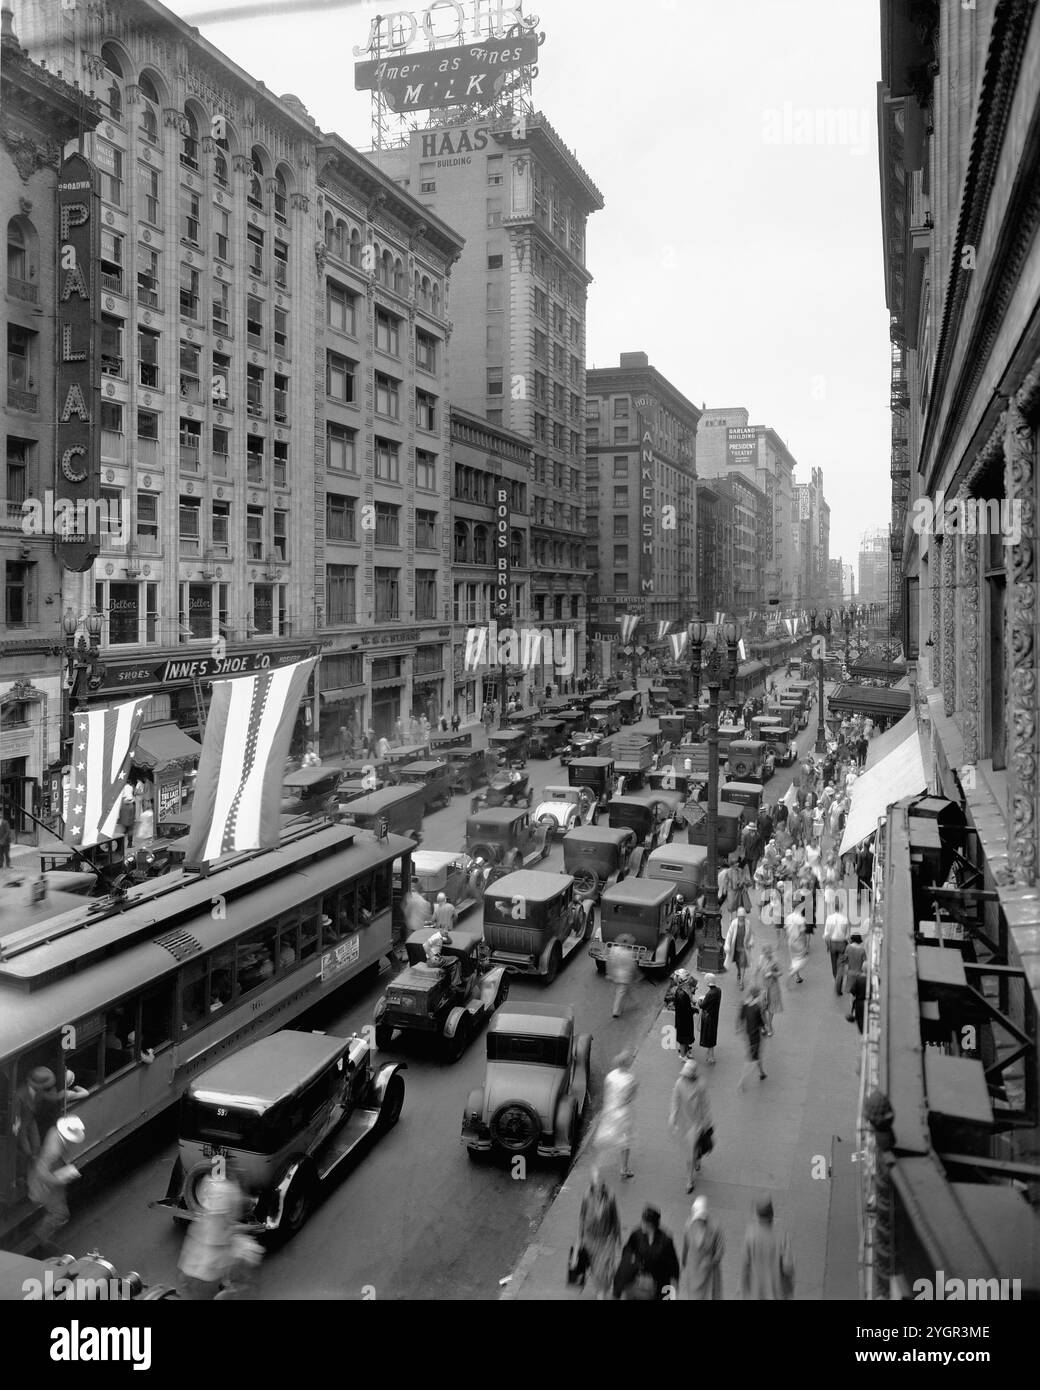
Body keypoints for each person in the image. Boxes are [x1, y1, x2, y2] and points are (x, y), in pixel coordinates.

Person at [177, 1172, 246, 1301]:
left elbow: (202, 1201)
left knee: (196, 1257)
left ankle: (186, 1281)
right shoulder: (231, 1189)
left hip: (204, 1228)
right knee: (223, 1260)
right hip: (219, 1234)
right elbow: (233, 1214)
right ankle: (226, 1285)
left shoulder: (209, 1182)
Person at [613, 1205, 680, 1301]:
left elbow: (673, 1265)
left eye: (644, 1222)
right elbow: (627, 1256)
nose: (642, 1224)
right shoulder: (636, 1235)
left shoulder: (666, 1241)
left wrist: (673, 1289)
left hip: (659, 1283)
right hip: (639, 1281)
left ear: (651, 1224)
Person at [669, 1058, 713, 1193]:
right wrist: (673, 1117)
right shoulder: (679, 1083)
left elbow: (705, 1105)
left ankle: (690, 1177)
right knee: (690, 1152)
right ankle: (692, 1170)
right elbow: (675, 1101)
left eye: (687, 1075)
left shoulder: (700, 1085)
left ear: (693, 1075)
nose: (685, 1077)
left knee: (691, 1152)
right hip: (685, 1122)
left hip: (697, 1123)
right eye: (684, 1075)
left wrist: (707, 1122)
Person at [577, 1168, 621, 1300]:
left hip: (606, 1239)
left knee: (606, 1268)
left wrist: (618, 1238)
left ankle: (602, 1291)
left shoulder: (610, 1197)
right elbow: (582, 1217)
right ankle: (600, 1290)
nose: (598, 1188)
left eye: (601, 1185)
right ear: (592, 1185)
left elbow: (615, 1218)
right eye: (596, 1185)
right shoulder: (586, 1196)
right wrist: (579, 1238)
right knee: (595, 1269)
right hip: (590, 1238)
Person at [741, 1198, 795, 1300]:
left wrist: (744, 1289)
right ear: (772, 1213)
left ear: (757, 1214)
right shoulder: (782, 1236)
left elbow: (745, 1265)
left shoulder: (750, 1235)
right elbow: (788, 1267)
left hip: (756, 1292)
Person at [595, 1051, 637, 1180]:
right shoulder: (630, 1079)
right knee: (625, 1140)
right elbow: (629, 1098)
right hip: (623, 1113)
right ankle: (624, 1168)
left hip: (609, 1110)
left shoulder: (610, 1076)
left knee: (606, 1137)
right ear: (626, 1063)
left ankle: (598, 1164)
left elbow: (606, 1093)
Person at [681, 1195, 725, 1301]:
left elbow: (720, 1251)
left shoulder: (715, 1228)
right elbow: (685, 1247)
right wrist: (683, 1266)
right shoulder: (688, 1225)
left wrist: (710, 1262)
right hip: (693, 1270)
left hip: (709, 1273)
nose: (698, 1220)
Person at [736, 985, 768, 1090]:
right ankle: (742, 1081)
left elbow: (740, 1018)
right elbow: (761, 1022)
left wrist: (739, 1029)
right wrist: (764, 1030)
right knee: (751, 1060)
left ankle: (762, 1072)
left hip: (748, 1033)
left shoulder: (745, 1004)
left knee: (756, 1055)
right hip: (755, 1036)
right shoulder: (757, 1007)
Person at [606, 940, 638, 1019]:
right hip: (624, 976)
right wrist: (637, 975)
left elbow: (609, 961)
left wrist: (609, 973)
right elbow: (632, 965)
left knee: (626, 990)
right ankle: (616, 1011)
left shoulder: (614, 949)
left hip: (616, 974)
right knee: (621, 993)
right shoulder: (628, 953)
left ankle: (635, 1002)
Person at [823, 900, 850, 987]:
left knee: (833, 962)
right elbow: (847, 935)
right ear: (841, 907)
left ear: (833, 908)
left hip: (832, 943)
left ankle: (836, 978)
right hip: (842, 943)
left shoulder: (829, 918)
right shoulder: (845, 919)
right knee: (841, 963)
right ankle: (840, 979)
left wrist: (827, 945)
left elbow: (826, 935)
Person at [724, 906, 752, 987]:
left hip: (744, 947)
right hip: (735, 946)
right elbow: (729, 935)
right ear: (738, 916)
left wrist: (750, 942)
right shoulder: (734, 923)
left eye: (743, 917)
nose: (741, 918)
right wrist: (727, 945)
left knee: (742, 963)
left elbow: (751, 934)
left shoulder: (748, 923)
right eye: (740, 917)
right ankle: (739, 971)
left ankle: (741, 981)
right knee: (737, 962)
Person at [672, 970, 697, 1059]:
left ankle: (686, 1051)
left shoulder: (681, 991)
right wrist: (694, 1010)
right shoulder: (681, 994)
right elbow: (685, 1009)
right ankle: (683, 1056)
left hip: (683, 1019)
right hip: (683, 1020)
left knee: (686, 1037)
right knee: (683, 1039)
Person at [698, 973, 721, 1064]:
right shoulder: (718, 991)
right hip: (714, 1017)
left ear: (708, 981)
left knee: (709, 1037)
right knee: (712, 1035)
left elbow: (702, 1005)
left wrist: (700, 1000)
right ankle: (710, 1054)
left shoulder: (710, 994)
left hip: (708, 1018)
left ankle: (711, 1057)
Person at [786, 908, 808, 984]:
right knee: (803, 959)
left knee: (794, 958)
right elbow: (803, 934)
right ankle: (793, 972)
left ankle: (797, 976)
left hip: (790, 940)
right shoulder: (801, 920)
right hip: (798, 941)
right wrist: (805, 945)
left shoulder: (788, 917)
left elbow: (786, 929)